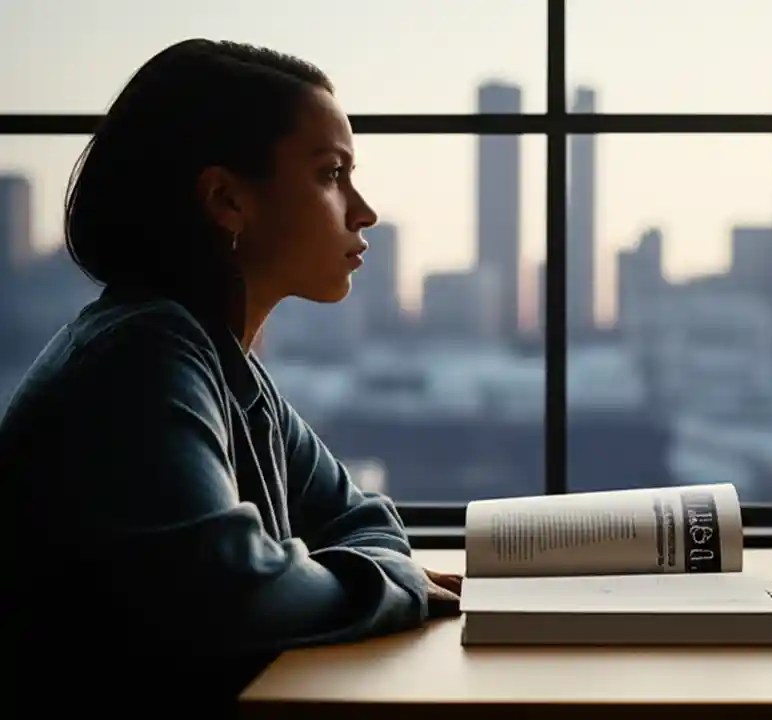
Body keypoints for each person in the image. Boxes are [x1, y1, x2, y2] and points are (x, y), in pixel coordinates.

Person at [0, 39, 462, 711]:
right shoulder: (143, 357)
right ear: (226, 199)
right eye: (332, 174)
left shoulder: (217, 359)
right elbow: (238, 595)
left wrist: (374, 571)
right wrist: (395, 582)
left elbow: (364, 519)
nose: (363, 210)